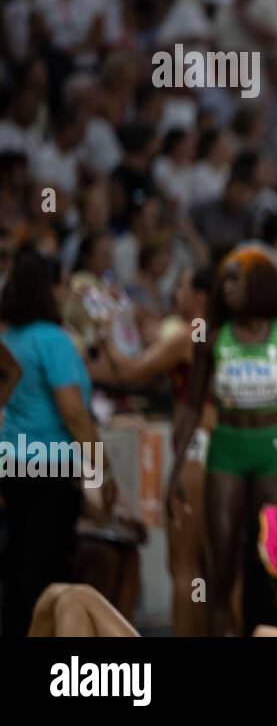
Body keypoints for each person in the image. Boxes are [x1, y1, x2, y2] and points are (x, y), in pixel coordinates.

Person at [168, 244, 277, 636]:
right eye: (224, 282)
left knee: (276, 568)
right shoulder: (213, 341)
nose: (227, 289)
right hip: (226, 451)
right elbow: (193, 408)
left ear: (260, 285)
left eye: (236, 280)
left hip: (273, 452)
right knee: (222, 567)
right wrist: (176, 471)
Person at [88, 266, 212, 636]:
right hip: (230, 450)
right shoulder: (230, 333)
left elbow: (128, 373)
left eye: (183, 288)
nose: (177, 297)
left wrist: (107, 330)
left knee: (185, 564)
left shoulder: (189, 334)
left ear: (201, 298)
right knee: (219, 566)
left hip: (196, 451)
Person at [0, 245, 117, 637]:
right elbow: (72, 411)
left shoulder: (10, 339)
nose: (67, 291)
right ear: (48, 289)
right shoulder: (54, 341)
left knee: (18, 563)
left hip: (11, 462)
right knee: (47, 570)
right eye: (63, 284)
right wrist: (100, 467)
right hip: (50, 465)